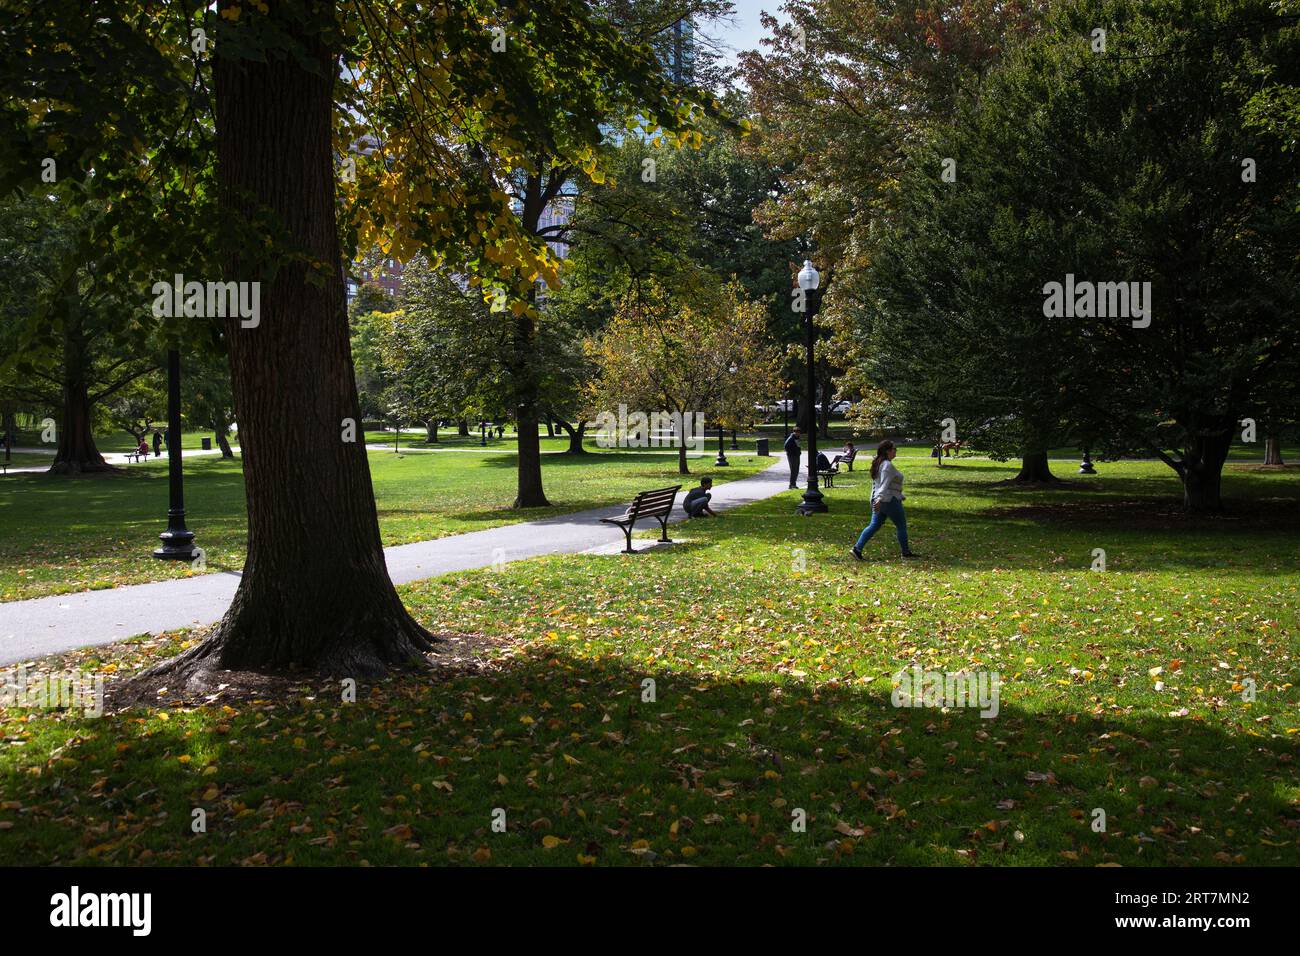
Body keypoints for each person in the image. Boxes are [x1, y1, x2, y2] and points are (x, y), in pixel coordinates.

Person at [850, 440, 918, 559]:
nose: (895, 451)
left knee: (874, 525)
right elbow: (884, 485)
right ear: (888, 451)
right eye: (894, 449)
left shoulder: (880, 463)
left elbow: (882, 485)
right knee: (901, 525)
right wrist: (879, 499)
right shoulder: (887, 465)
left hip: (881, 499)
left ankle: (857, 549)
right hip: (888, 500)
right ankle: (906, 553)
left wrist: (896, 495)